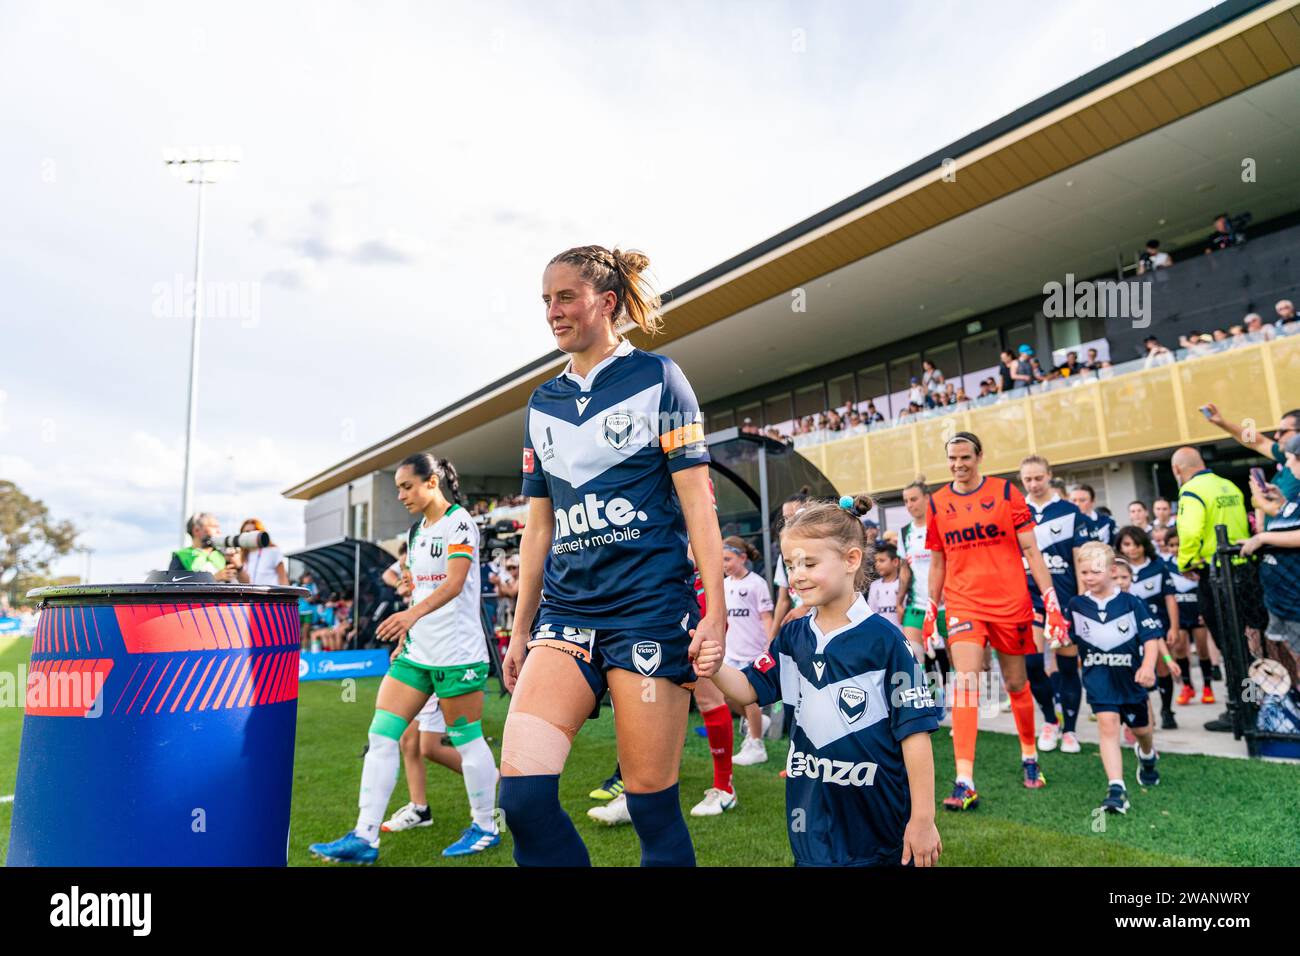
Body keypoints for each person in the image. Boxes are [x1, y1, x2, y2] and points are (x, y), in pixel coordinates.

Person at [499, 244, 724, 868]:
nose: (553, 311)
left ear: (609, 302)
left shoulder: (659, 378)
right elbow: (538, 530)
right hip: (565, 616)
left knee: (651, 806)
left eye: (565, 297)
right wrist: (520, 631)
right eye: (546, 300)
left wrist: (716, 614)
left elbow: (698, 505)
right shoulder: (541, 402)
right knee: (521, 798)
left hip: (650, 613)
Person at [694, 500, 942, 867]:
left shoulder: (885, 641)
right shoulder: (793, 636)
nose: (797, 575)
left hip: (878, 825)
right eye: (791, 565)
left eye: (809, 564)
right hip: (809, 818)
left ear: (851, 560)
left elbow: (915, 734)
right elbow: (749, 688)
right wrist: (714, 666)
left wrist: (923, 819)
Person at [309, 453, 499, 863]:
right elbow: (418, 589)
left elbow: (454, 582)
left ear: (432, 482)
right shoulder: (416, 533)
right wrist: (408, 633)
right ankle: (365, 837)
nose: (400, 495)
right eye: (396, 488)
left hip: (457, 653)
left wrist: (410, 615)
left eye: (406, 486)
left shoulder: (460, 523)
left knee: (467, 741)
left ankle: (486, 825)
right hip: (417, 653)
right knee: (381, 734)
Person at [923, 432, 1067, 810]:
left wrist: (1051, 602)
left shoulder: (1006, 493)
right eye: (952, 458)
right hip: (963, 604)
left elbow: (1032, 550)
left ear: (979, 456)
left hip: (1010, 604)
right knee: (966, 684)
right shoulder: (937, 502)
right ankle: (964, 780)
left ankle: (1029, 755)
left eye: (965, 457)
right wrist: (930, 609)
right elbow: (938, 561)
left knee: (1017, 683)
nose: (958, 464)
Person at [1068, 542, 1164, 815]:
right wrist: (1059, 639)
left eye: (1094, 572)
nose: (1088, 578)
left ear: (1111, 571)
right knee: (1108, 726)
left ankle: (1146, 755)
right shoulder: (1076, 605)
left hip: (1131, 681)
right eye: (1084, 572)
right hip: (1099, 679)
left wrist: (1147, 666)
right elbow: (1068, 640)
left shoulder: (1131, 602)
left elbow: (1151, 639)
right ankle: (1116, 789)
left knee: (1142, 731)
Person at [1171, 446, 1250, 733]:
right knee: (1245, 645)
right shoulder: (1228, 485)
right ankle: (1251, 704)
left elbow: (1190, 532)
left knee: (1229, 647)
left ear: (1177, 470)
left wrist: (1185, 562)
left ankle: (1239, 710)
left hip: (1215, 574)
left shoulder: (1191, 491)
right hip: (1243, 569)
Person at [1017, 456, 1089, 756]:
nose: (1033, 484)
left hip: (1065, 600)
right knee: (1033, 665)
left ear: (1049, 475)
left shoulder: (1070, 512)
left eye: (1038, 478)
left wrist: (1081, 600)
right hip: (1029, 600)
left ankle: (1070, 730)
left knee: (1068, 666)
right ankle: (1049, 719)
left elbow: (1080, 559)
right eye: (1028, 480)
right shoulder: (1016, 512)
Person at [1240, 433, 1300, 672]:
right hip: (1281, 601)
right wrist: (1282, 501)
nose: (1287, 465)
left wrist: (1262, 538)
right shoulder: (1295, 497)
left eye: (1291, 459)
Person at [1114, 526, 1184, 729]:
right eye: (1127, 545)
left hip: (1155, 627)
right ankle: (1141, 719)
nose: (1132, 549)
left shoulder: (1158, 566)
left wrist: (1174, 627)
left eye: (1137, 544)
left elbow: (1170, 598)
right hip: (1127, 634)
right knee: (1134, 674)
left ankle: (1166, 710)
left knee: (1162, 667)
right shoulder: (1115, 570)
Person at [717, 536, 775, 773]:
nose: (724, 564)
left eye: (728, 559)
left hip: (753, 651)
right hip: (731, 651)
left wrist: (769, 645)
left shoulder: (756, 584)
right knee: (727, 698)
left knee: (748, 698)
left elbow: (766, 617)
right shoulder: (723, 584)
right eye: (721, 559)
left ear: (742, 558)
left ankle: (756, 745)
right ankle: (758, 723)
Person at [1200, 403, 1300, 528]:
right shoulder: (1287, 458)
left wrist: (1260, 500)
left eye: (1283, 431)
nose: (1276, 436)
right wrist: (1222, 423)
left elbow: (1288, 514)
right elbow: (1257, 442)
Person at [169, 513, 238, 581]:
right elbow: (175, 586)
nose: (219, 531)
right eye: (214, 526)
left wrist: (239, 565)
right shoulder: (182, 556)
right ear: (196, 530)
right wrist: (213, 578)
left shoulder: (223, 554)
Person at [236, 518, 289, 586]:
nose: (251, 534)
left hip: (271, 595)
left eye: (254, 531)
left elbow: (283, 580)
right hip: (252, 596)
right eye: (247, 532)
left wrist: (286, 596)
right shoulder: (241, 556)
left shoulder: (273, 551)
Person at [868, 542, 902, 627]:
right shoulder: (874, 586)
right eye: (876, 561)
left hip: (902, 634)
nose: (877, 564)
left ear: (895, 562)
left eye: (882, 561)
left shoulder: (903, 585)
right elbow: (872, 612)